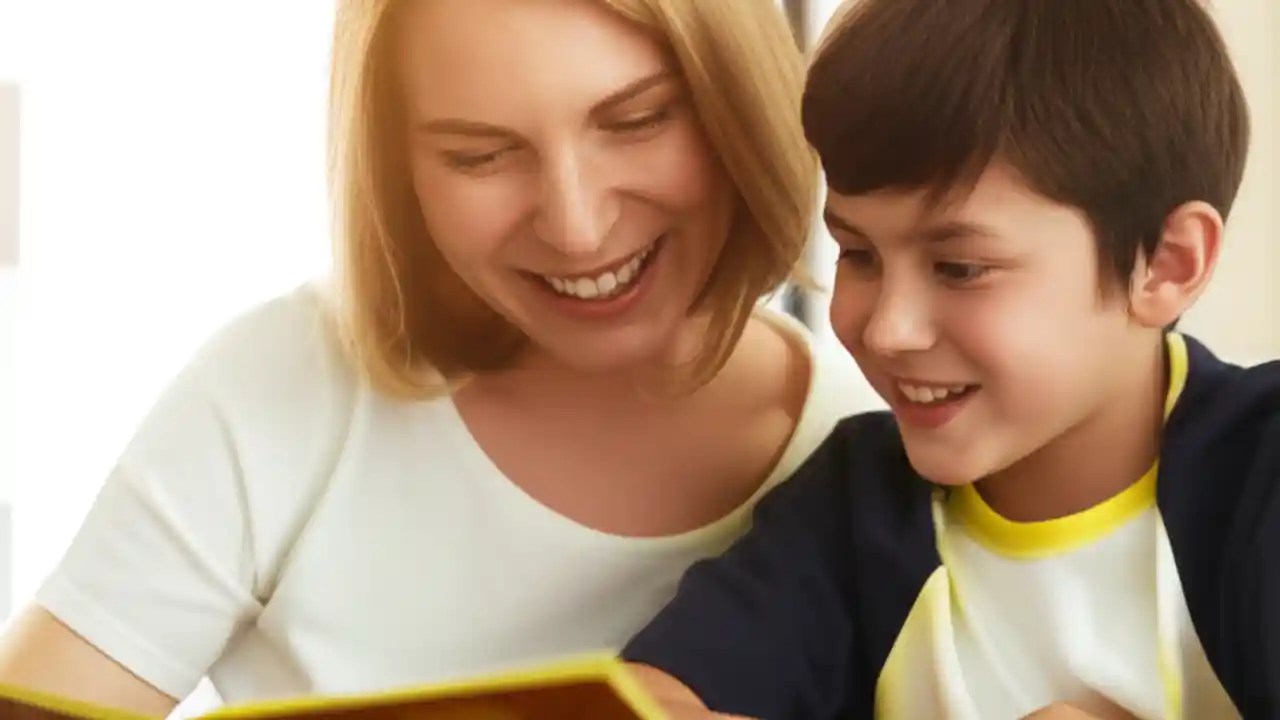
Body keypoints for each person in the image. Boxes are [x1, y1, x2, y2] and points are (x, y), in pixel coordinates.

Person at [0, 0, 867, 715]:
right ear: (398, 169)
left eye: (637, 121)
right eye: (480, 155)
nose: (575, 226)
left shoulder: (883, 465)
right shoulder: (289, 383)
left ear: (742, 106)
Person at [621, 0, 1280, 718]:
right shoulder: (854, 506)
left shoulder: (1259, 471)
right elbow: (655, 697)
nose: (887, 330)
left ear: (1167, 265)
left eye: (960, 267)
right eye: (860, 254)